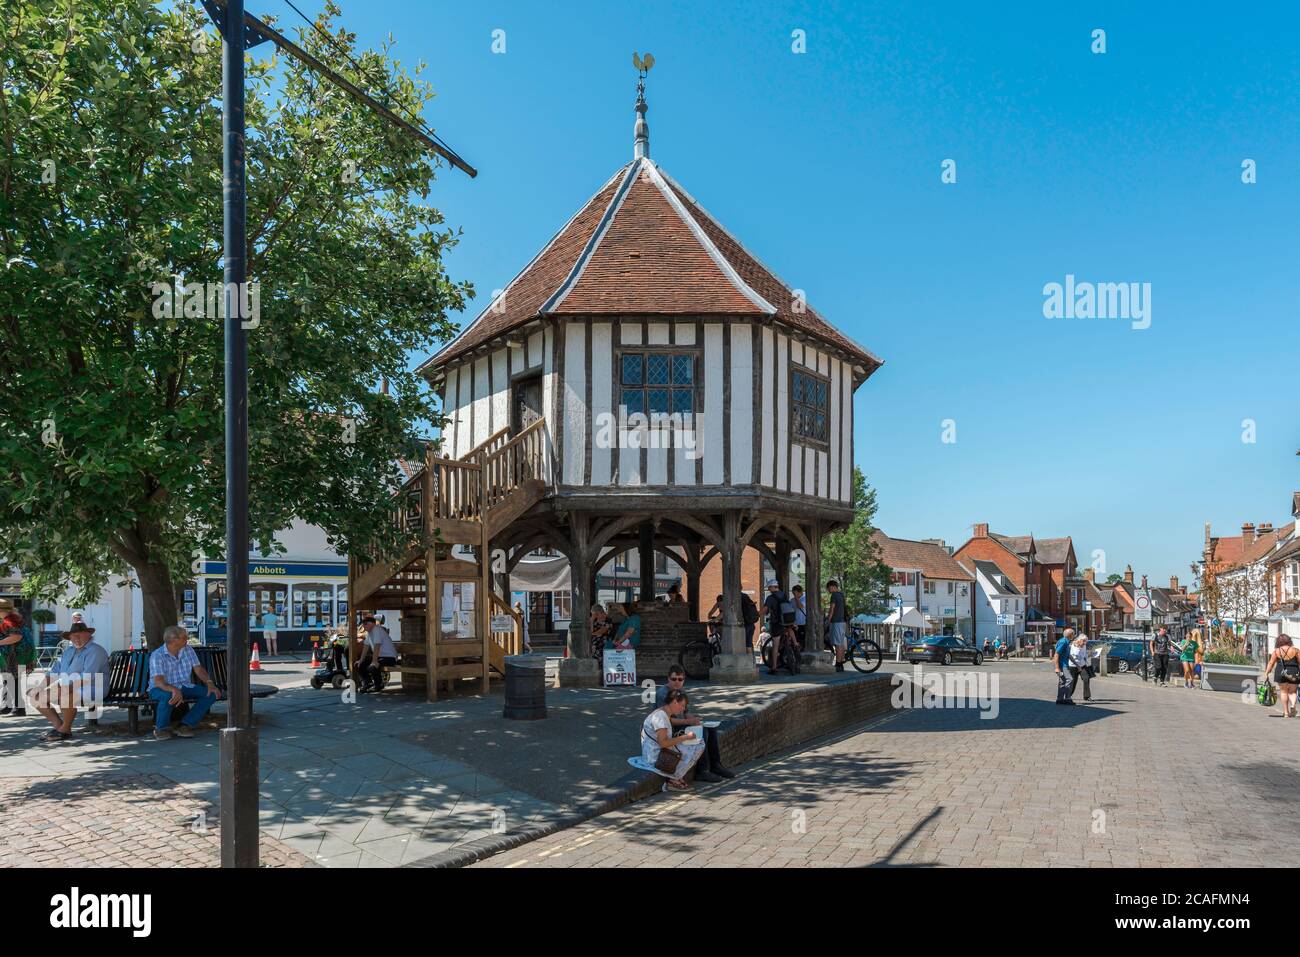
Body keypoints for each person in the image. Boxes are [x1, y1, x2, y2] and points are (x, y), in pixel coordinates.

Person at [32, 621, 110, 741]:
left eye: (80, 635)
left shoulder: (96, 651)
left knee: (66, 697)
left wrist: (65, 689)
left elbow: (88, 678)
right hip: (69, 687)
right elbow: (54, 672)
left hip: (93, 688)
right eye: (73, 636)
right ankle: (59, 726)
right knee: (36, 697)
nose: (76, 639)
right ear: (70, 638)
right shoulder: (68, 651)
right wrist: (40, 687)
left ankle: (65, 730)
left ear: (88, 635)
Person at [655, 665, 734, 781]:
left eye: (680, 679)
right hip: (669, 728)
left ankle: (716, 765)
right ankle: (703, 770)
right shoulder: (663, 694)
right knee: (702, 732)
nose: (677, 682)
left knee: (710, 728)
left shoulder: (681, 691)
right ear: (668, 679)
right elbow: (668, 720)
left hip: (681, 723)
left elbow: (686, 712)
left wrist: (696, 720)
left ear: (683, 680)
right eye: (674, 679)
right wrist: (689, 721)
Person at [148, 625, 221, 740]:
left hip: (184, 686)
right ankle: (161, 729)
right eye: (184, 637)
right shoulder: (157, 655)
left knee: (212, 694)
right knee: (168, 695)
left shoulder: (188, 649)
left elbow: (198, 669)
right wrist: (173, 689)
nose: (187, 638)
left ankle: (185, 725)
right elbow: (159, 681)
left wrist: (210, 683)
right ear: (174, 640)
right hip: (160, 688)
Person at [641, 688, 704, 792]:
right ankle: (673, 779)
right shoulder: (661, 717)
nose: (683, 709)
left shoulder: (663, 713)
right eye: (682, 705)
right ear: (675, 701)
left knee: (694, 742)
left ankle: (676, 778)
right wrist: (685, 737)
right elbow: (663, 743)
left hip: (653, 751)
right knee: (699, 744)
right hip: (655, 757)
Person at [0, 599, 35, 717]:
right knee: (8, 680)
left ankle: (19, 709)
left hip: (14, 656)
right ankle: (8, 706)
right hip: (17, 655)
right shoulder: (14, 618)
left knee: (11, 680)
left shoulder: (10, 621)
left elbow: (16, 637)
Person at [354, 615, 398, 693]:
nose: (363, 626)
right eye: (363, 624)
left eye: (365, 624)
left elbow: (377, 646)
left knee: (373, 666)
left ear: (371, 624)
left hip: (390, 658)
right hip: (381, 657)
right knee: (360, 664)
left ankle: (378, 685)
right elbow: (366, 647)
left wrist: (374, 661)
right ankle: (368, 683)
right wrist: (360, 660)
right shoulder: (369, 633)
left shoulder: (377, 630)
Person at [1264, 636, 1299, 718]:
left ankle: (1286, 713)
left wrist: (1266, 673)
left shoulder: (1276, 651)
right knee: (1293, 692)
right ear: (1289, 641)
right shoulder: (1295, 650)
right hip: (1294, 672)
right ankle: (1293, 705)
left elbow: (1271, 663)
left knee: (1283, 692)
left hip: (1281, 673)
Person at [826, 579, 848, 672]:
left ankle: (838, 664)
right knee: (841, 643)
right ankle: (841, 662)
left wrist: (828, 620)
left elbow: (832, 609)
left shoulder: (834, 595)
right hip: (842, 622)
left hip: (836, 622)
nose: (828, 590)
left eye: (828, 588)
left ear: (832, 587)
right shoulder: (841, 595)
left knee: (838, 644)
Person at [1053, 627, 1075, 705]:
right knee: (1070, 679)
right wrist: (1057, 668)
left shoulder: (1066, 642)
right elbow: (1056, 654)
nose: (1074, 635)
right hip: (1062, 665)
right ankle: (1067, 698)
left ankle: (1060, 699)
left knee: (1062, 681)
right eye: (1074, 634)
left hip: (1064, 664)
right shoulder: (1063, 642)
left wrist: (1077, 665)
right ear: (1071, 635)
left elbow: (1068, 655)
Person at [1068, 633, 1092, 702]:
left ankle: (1087, 696)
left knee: (1086, 678)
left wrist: (1090, 654)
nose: (1085, 643)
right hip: (1073, 665)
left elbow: (1084, 655)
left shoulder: (1084, 645)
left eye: (1086, 641)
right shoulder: (1073, 645)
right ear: (1079, 640)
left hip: (1082, 665)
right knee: (1073, 681)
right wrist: (1080, 647)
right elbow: (1076, 654)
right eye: (1084, 641)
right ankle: (1068, 696)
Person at [791, 585, 808, 650]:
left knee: (802, 640)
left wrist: (796, 598)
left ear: (800, 592)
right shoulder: (792, 600)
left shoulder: (805, 598)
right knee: (796, 640)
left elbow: (800, 606)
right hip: (795, 624)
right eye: (793, 593)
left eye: (795, 593)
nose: (794, 595)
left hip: (803, 623)